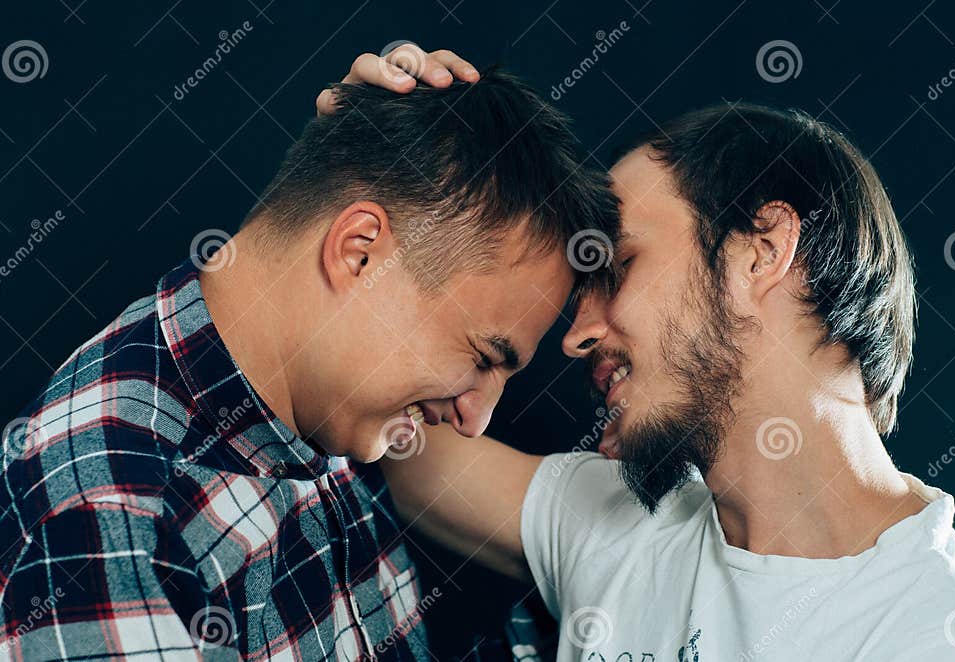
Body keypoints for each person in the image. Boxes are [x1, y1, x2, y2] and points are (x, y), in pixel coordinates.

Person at [340, 46, 955, 660]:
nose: (576, 336)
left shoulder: (940, 632)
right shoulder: (623, 524)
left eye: (621, 265)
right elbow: (392, 434)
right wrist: (383, 161)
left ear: (761, 250)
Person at [0, 66, 621, 660]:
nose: (474, 419)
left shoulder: (314, 397)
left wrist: (367, 135)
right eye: (483, 356)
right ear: (360, 255)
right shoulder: (105, 526)